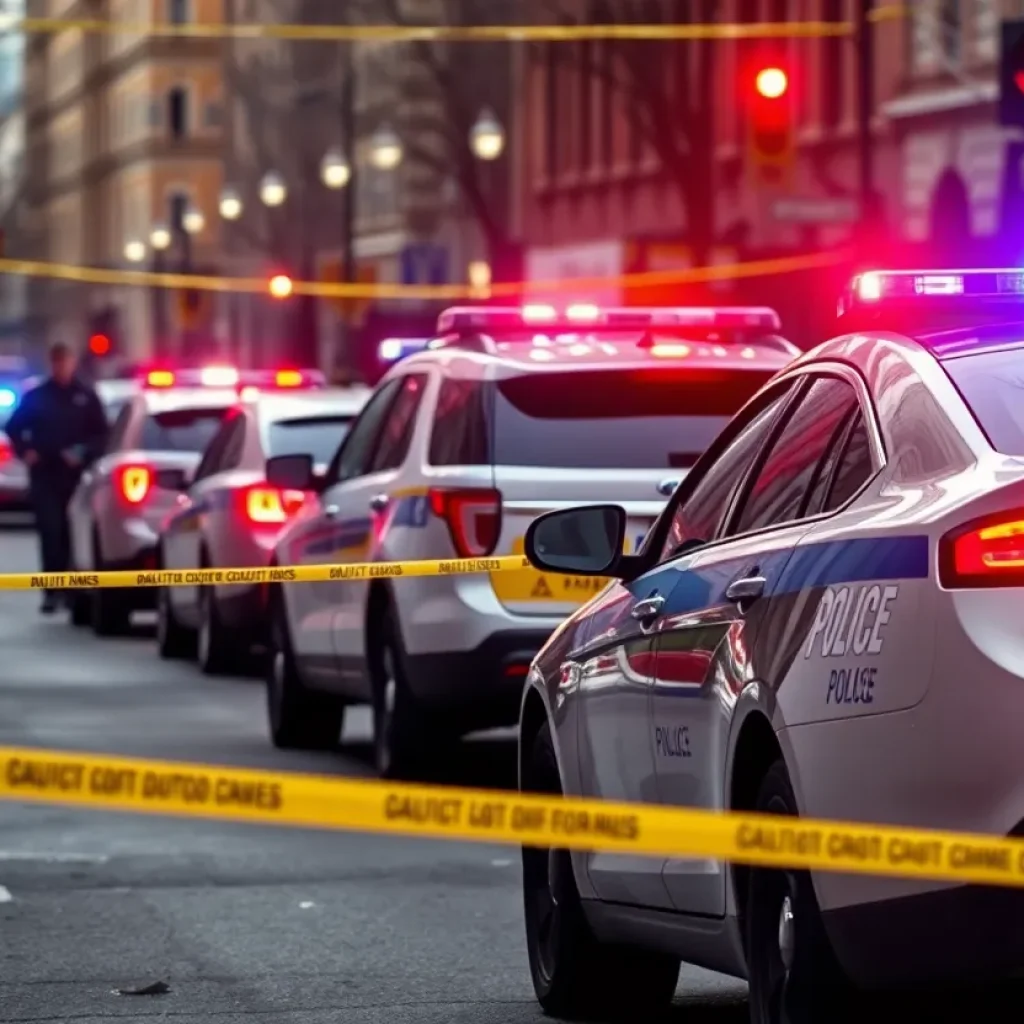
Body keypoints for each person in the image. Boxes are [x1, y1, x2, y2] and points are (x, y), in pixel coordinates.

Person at [6, 342, 108, 613]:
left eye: (66, 362)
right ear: (52, 365)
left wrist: (84, 453)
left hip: (77, 477)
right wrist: (26, 451)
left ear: (73, 363)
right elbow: (14, 426)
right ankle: (52, 591)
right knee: (50, 532)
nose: (62, 367)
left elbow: (101, 435)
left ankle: (75, 591)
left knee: (74, 533)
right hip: (45, 475)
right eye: (57, 363)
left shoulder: (86, 396)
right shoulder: (38, 396)